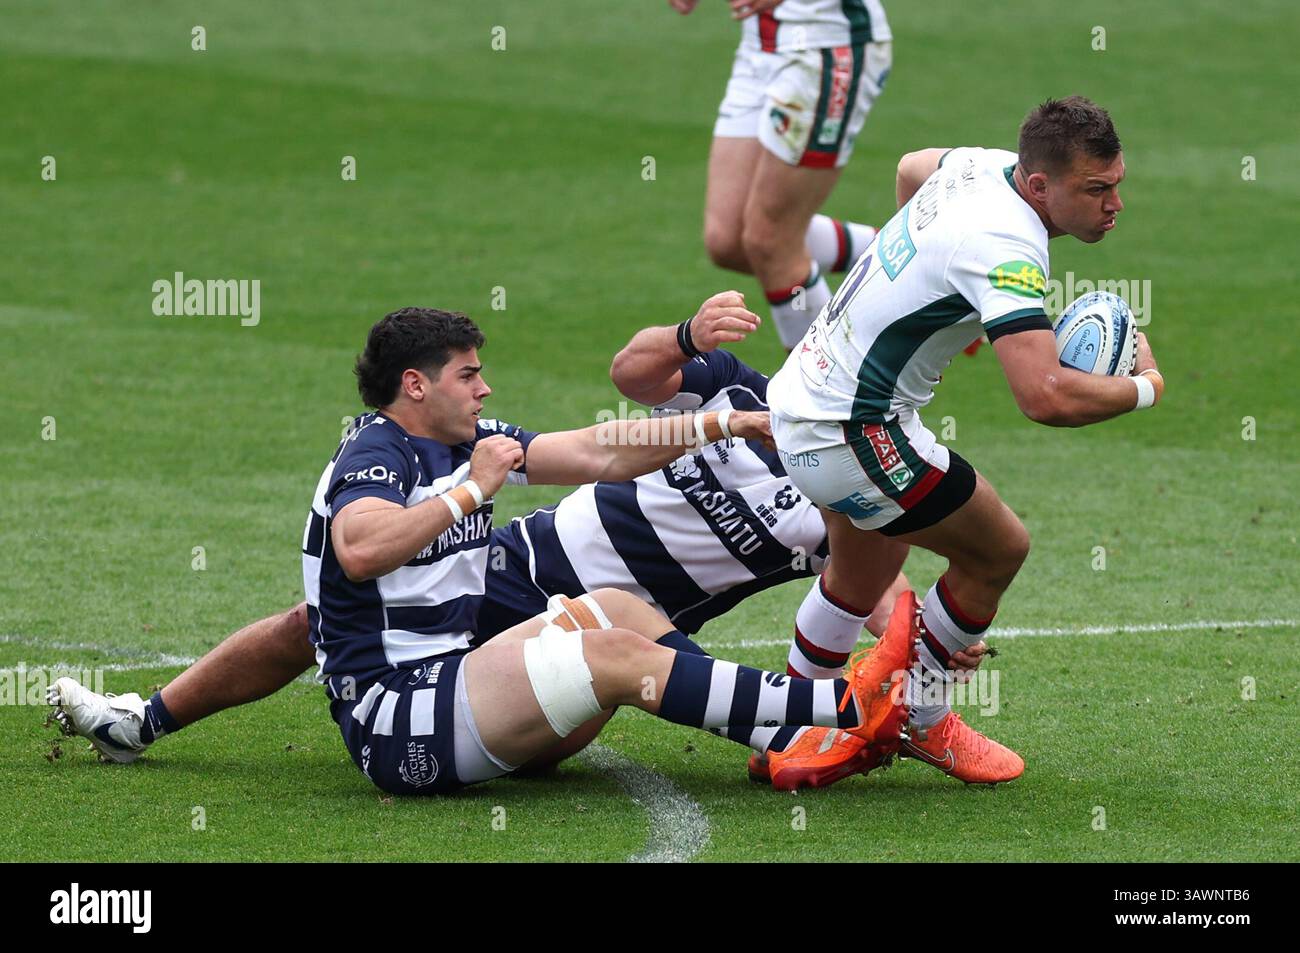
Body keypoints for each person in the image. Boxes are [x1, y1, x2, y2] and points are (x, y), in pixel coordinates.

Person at [51, 305, 920, 796]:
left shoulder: (467, 438)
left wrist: (721, 420)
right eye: (470, 373)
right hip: (402, 722)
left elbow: (597, 449)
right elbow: (359, 550)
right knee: (611, 652)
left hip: (457, 684)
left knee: (621, 614)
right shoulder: (377, 453)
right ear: (417, 385)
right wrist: (473, 490)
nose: (487, 386)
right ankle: (837, 710)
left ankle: (140, 721)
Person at [763, 96, 1165, 785]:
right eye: (1096, 190)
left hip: (800, 398)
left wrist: (942, 297)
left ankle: (786, 728)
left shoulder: (987, 167)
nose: (1114, 205)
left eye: (1118, 183)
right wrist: (1148, 385)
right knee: (999, 548)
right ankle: (919, 720)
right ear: (1041, 186)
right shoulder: (1007, 246)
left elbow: (911, 167)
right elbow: (1045, 396)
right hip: (852, 433)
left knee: (863, 573)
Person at [669, 0, 893, 349]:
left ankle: (823, 397)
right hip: (760, 43)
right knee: (728, 238)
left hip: (824, 44)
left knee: (770, 240)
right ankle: (914, 265)